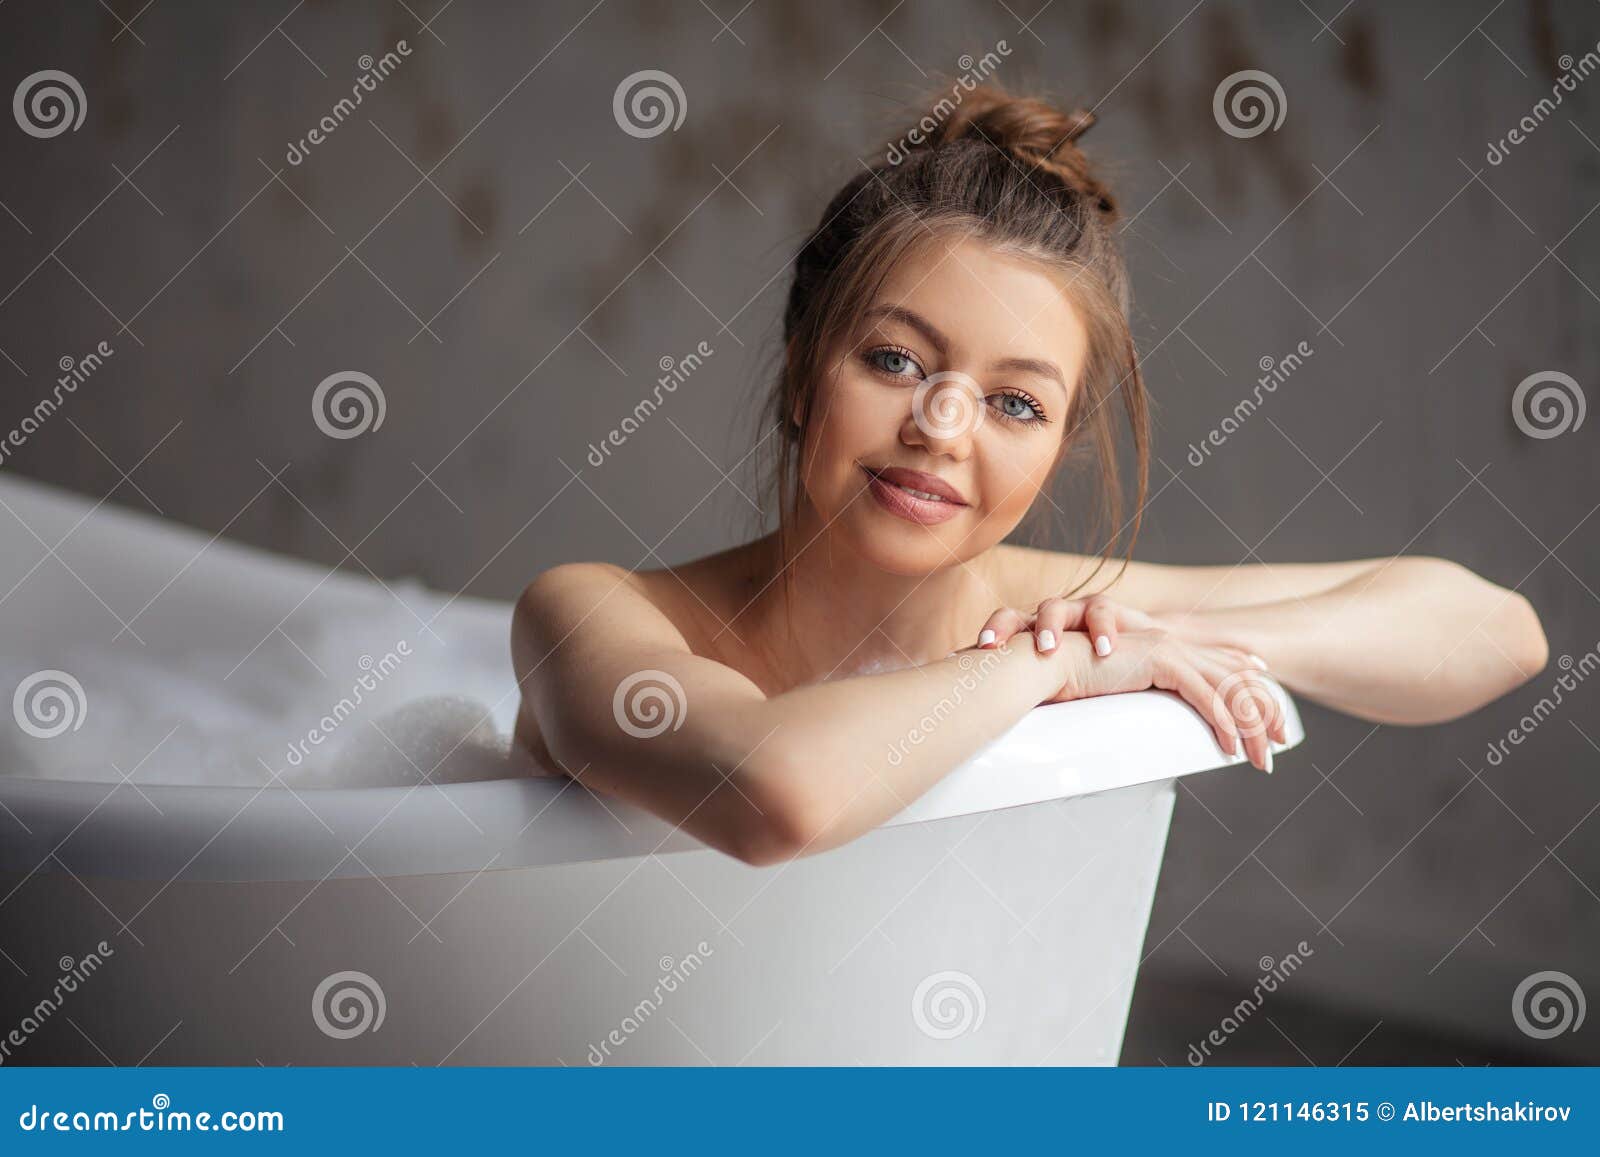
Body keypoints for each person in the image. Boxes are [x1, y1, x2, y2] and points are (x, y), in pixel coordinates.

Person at [511, 84, 1547, 866]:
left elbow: (1493, 630)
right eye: (894, 360)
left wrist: (1172, 641)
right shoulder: (589, 612)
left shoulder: (1054, 606)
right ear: (799, 374)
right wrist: (1047, 669)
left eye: (1015, 403)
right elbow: (774, 791)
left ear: (1057, 443)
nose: (942, 426)